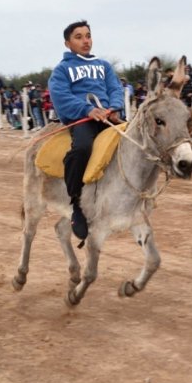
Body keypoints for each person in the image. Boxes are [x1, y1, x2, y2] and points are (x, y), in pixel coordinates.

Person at [48, 20, 124, 241]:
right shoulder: (62, 70)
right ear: (67, 43)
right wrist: (88, 110)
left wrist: (114, 107)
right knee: (82, 149)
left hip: (108, 116)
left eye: (88, 35)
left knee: (137, 141)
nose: (85, 40)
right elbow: (61, 96)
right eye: (78, 37)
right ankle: (76, 203)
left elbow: (114, 88)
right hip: (83, 119)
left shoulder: (104, 65)